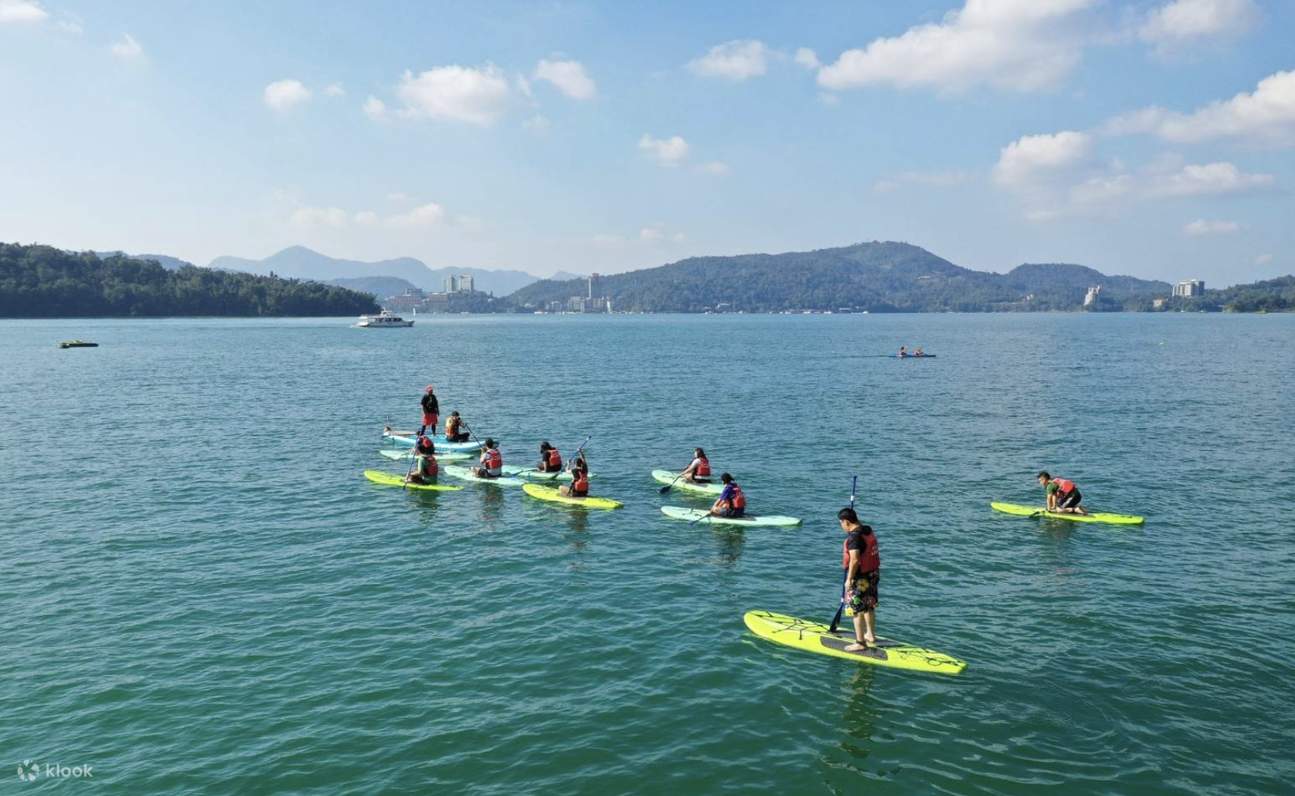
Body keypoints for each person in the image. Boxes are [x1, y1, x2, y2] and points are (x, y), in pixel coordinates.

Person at [838, 507, 880, 651]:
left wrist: (849, 580)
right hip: (873, 574)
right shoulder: (867, 529)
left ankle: (860, 643)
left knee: (855, 610)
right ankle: (870, 635)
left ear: (847, 522)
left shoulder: (854, 538)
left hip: (860, 579)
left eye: (841, 523)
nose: (841, 526)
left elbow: (855, 560)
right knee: (869, 605)